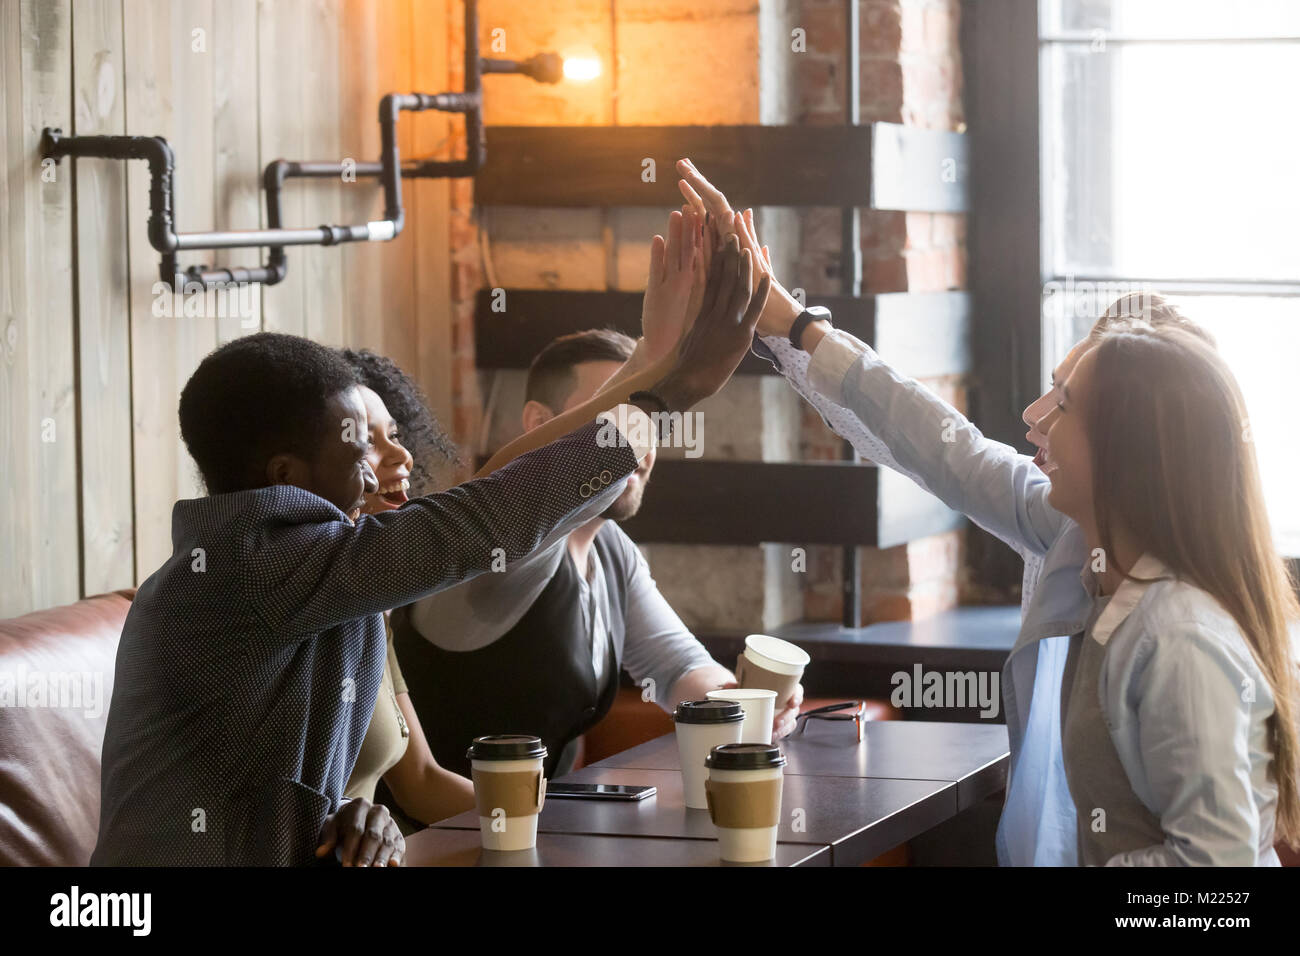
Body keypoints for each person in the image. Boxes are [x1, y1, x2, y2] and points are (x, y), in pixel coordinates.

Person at [90, 234, 769, 866]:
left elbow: (321, 785)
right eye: (358, 443)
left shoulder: (317, 578)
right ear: (286, 477)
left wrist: (360, 816)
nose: (393, 461)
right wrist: (667, 384)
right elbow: (489, 516)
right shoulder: (255, 565)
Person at [671, 157, 1221, 865]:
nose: (1032, 417)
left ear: (1131, 446)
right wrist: (789, 323)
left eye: (1066, 401)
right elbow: (939, 445)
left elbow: (1217, 883)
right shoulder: (1071, 529)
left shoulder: (1183, 633)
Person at [391, 327, 803, 779]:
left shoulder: (609, 547)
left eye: (651, 418)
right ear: (537, 423)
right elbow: (524, 500)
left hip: (548, 831)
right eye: (615, 413)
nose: (639, 443)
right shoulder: (506, 542)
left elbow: (676, 668)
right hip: (439, 837)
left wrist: (744, 699)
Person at [1048, 326, 1298, 864]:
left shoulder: (1178, 638)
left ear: (1121, 457)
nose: (1043, 423)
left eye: (1064, 409)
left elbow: (1215, 872)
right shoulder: (1117, 599)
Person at [337, 349, 475, 826]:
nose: (400, 455)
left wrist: (544, 823)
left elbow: (419, 781)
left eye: (394, 435)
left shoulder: (373, 608)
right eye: (367, 442)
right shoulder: (314, 589)